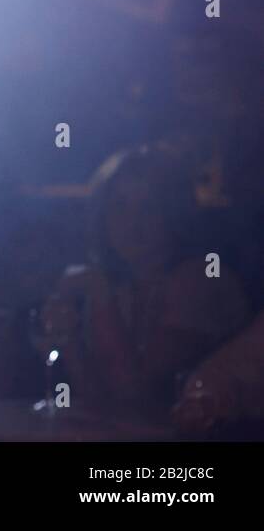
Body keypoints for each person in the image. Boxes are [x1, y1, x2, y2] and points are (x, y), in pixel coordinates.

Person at [40, 144, 250, 419]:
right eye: (120, 206)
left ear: (173, 212)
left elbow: (138, 397)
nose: (133, 221)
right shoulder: (123, 288)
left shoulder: (202, 279)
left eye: (149, 205)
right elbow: (98, 400)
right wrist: (67, 337)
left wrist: (101, 297)